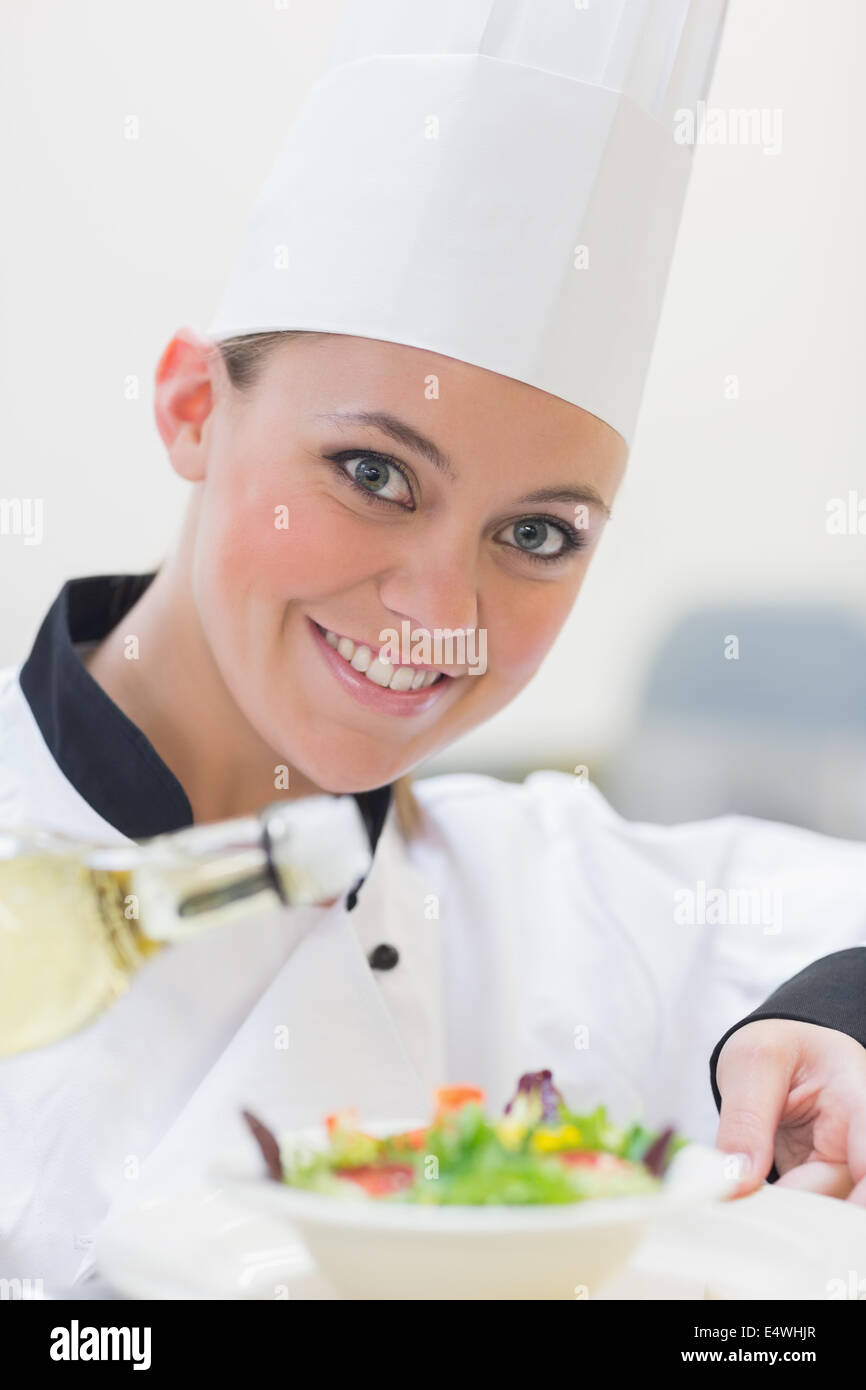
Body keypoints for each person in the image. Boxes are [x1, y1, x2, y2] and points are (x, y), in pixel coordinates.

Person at [1, 0, 865, 1293]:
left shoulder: (542, 890)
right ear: (192, 406)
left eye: (535, 531)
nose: (437, 609)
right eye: (372, 472)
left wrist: (830, 1017)